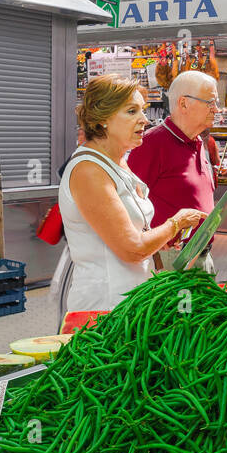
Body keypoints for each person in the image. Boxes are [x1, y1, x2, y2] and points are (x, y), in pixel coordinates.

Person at [58, 76, 206, 314]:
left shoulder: (117, 162)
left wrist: (160, 243)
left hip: (132, 301)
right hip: (105, 307)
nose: (144, 120)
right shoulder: (89, 170)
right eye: (131, 111)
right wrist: (176, 222)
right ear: (103, 119)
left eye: (143, 111)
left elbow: (136, 235)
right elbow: (131, 249)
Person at [127, 70, 219, 249]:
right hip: (170, 260)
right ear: (183, 104)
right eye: (211, 102)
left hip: (201, 256)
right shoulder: (151, 144)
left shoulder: (198, 140)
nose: (216, 109)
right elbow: (129, 205)